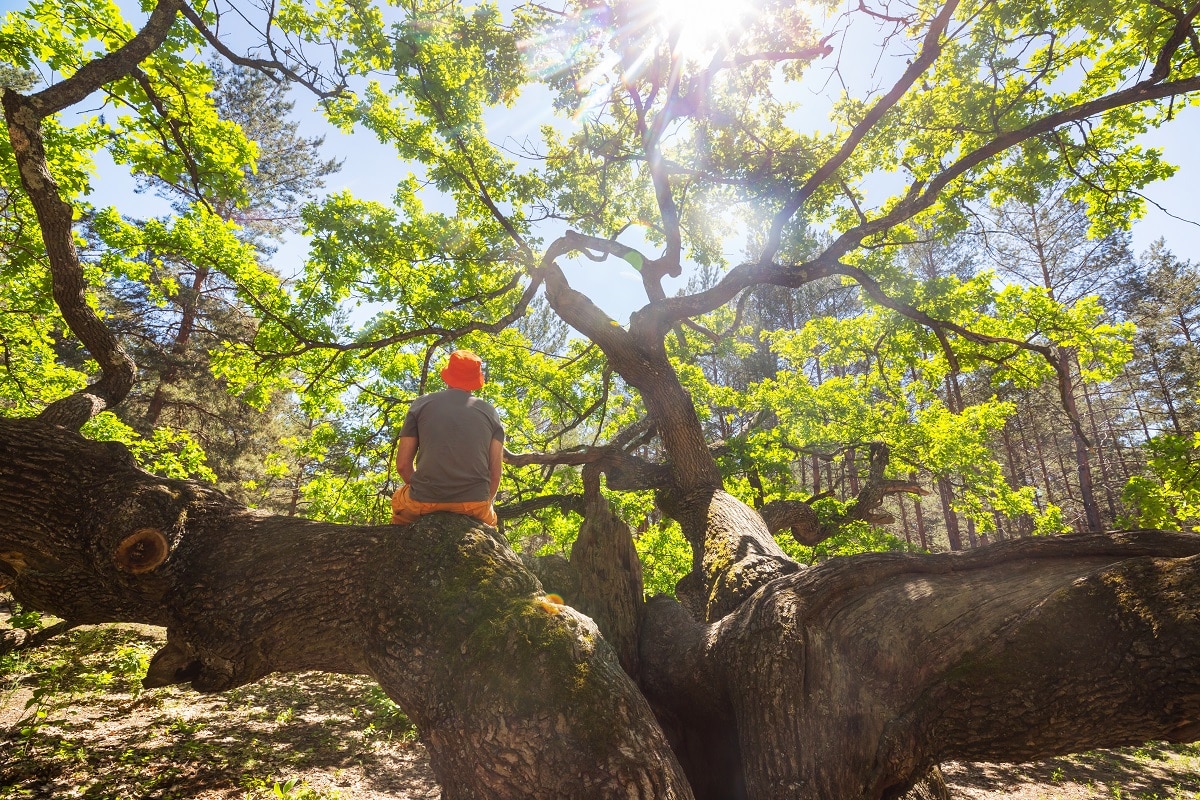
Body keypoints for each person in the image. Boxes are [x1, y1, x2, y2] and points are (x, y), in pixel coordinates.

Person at [390, 349, 504, 527]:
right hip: (474, 504)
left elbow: (403, 465)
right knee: (493, 526)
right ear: (475, 381)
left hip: (424, 501)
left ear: (448, 376)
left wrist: (428, 490)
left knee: (398, 501)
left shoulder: (420, 404)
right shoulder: (491, 413)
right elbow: (495, 474)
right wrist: (481, 502)